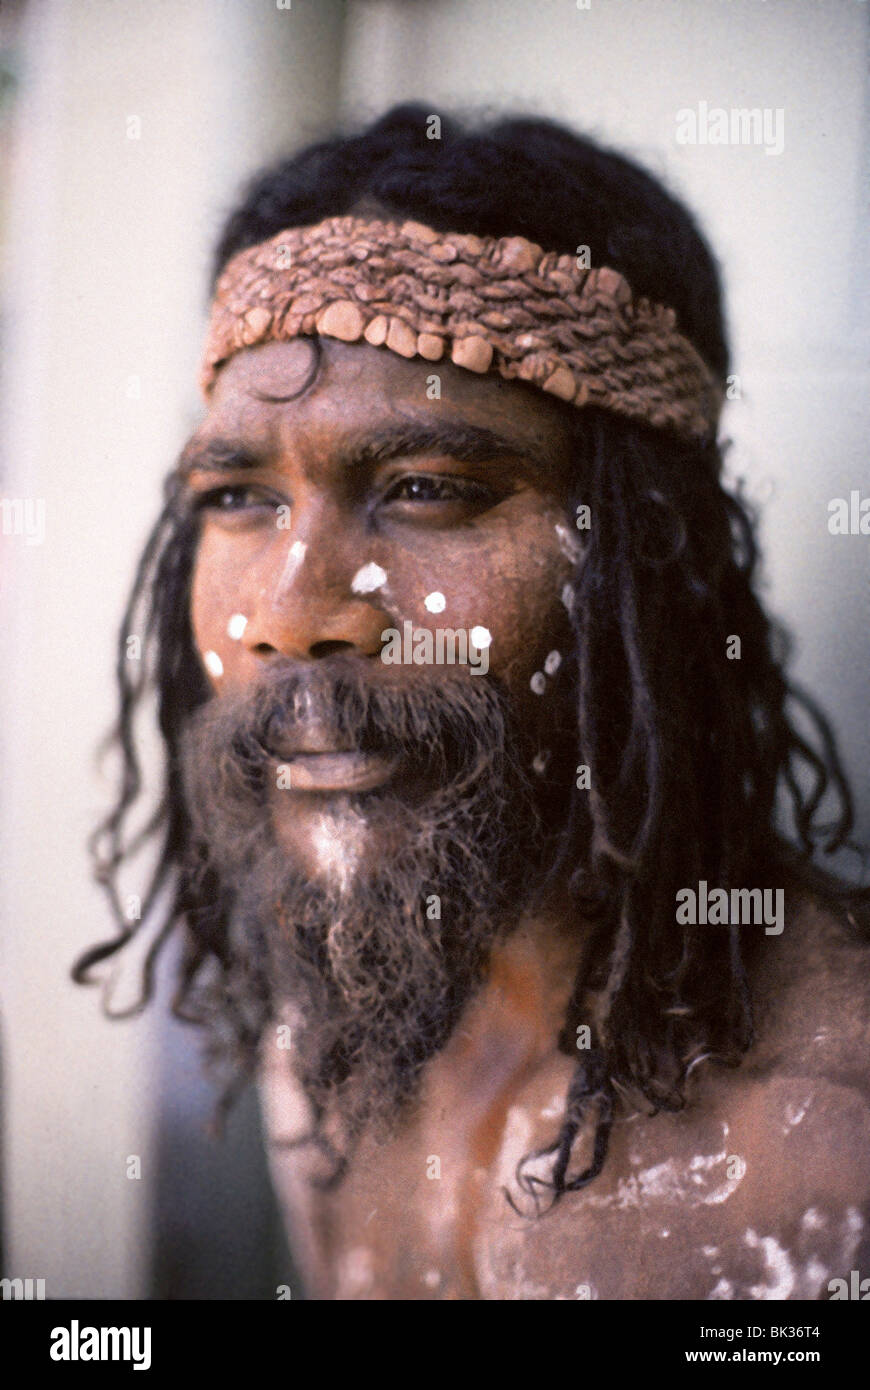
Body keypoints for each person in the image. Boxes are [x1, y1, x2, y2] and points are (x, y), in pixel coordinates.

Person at [76, 103, 870, 1300]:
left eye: (429, 486)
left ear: (652, 551)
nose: (294, 613)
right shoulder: (336, 1026)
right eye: (240, 498)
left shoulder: (832, 1145)